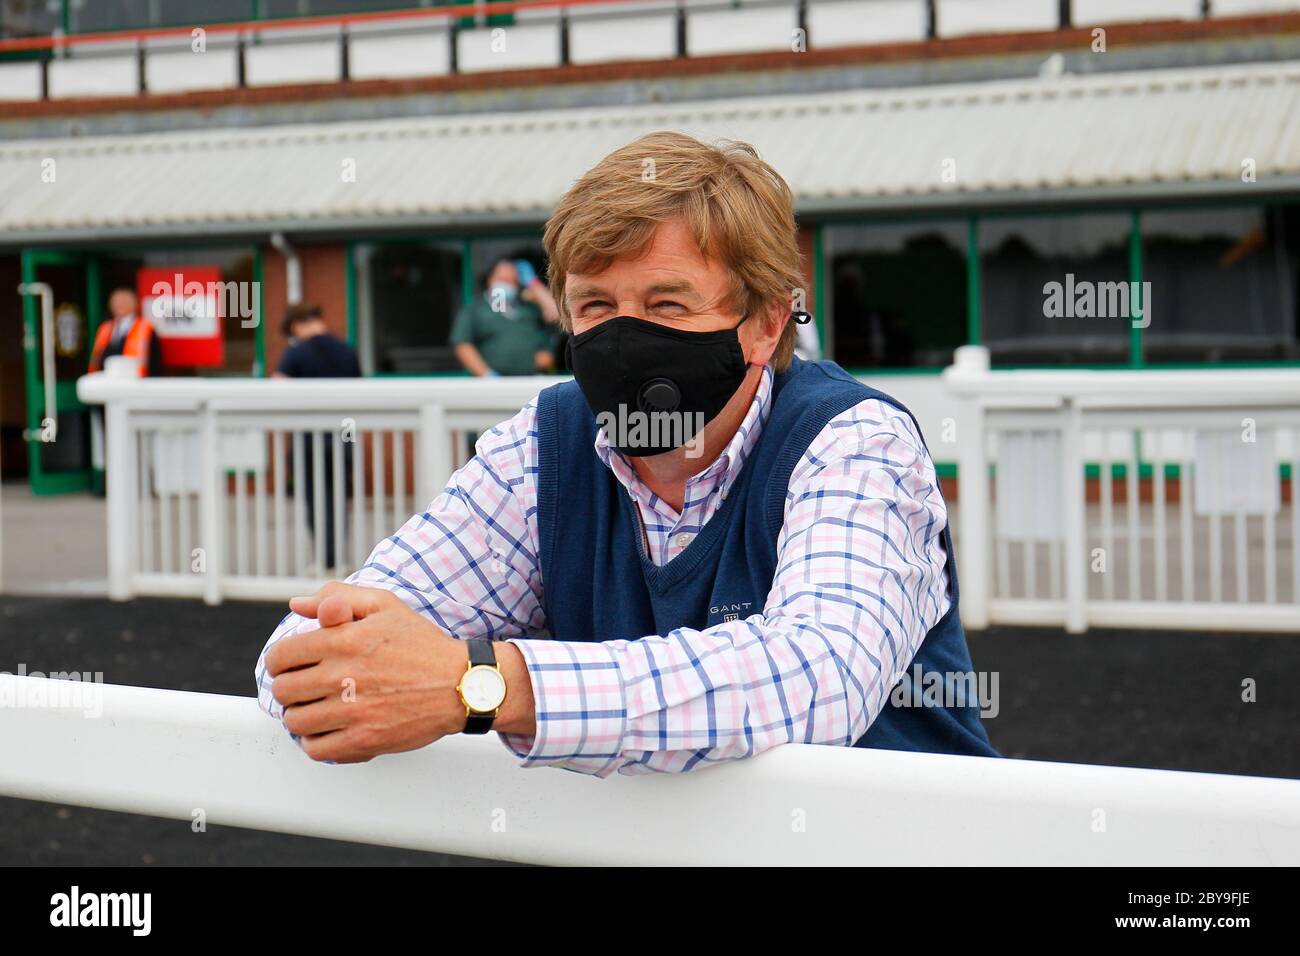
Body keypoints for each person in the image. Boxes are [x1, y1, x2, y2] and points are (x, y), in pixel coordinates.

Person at [255, 131, 997, 773]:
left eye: (667, 305)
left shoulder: (856, 442)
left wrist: (482, 685)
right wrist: (350, 671)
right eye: (597, 308)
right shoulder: (547, 447)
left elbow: (814, 680)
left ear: (768, 324)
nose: (623, 338)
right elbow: (301, 656)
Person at [273, 304, 361, 571]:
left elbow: (277, 387)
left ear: (297, 325)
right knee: (338, 496)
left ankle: (323, 558)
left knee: (314, 496)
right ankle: (340, 558)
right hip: (343, 434)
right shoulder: (347, 350)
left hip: (309, 437)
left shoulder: (297, 351)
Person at [450, 258, 559, 376]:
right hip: (496, 385)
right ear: (491, 279)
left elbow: (556, 314)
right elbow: (462, 344)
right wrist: (487, 376)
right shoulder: (475, 308)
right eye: (502, 280)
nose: (506, 285)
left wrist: (533, 283)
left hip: (532, 379)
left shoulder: (528, 306)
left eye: (511, 281)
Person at [88, 288, 163, 377]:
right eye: (117, 302)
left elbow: (154, 363)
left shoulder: (145, 329)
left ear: (134, 304)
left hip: (134, 384)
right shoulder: (105, 328)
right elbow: (97, 359)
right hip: (105, 382)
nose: (120, 305)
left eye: (124, 301)